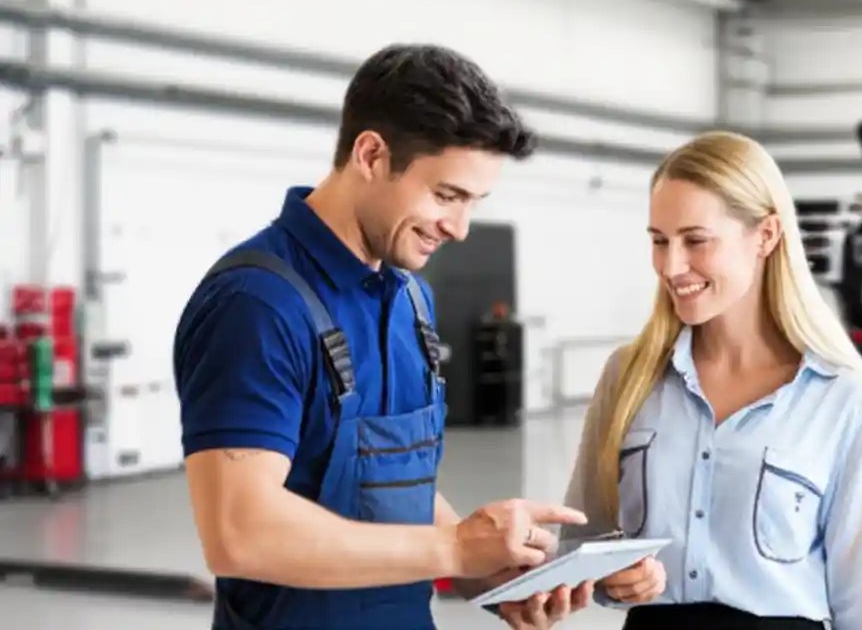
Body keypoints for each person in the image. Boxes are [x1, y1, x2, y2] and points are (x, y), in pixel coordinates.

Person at [173, 44, 595, 630]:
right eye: (446, 195)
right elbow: (240, 533)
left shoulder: (410, 299)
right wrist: (453, 551)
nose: (461, 227)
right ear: (371, 154)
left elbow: (391, 491)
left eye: (473, 202)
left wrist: (490, 571)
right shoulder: (258, 304)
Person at [563, 131, 862, 629]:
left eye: (696, 241)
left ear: (766, 236)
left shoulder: (844, 397)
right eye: (659, 241)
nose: (671, 266)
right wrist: (608, 580)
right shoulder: (629, 376)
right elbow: (580, 542)